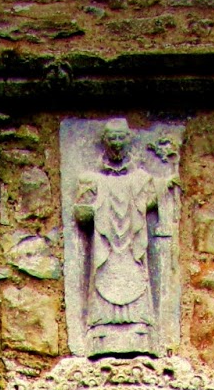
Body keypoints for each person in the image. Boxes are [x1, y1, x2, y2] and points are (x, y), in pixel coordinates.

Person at [74, 118, 174, 357]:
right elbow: (81, 213)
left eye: (121, 138)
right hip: (106, 249)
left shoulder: (141, 178)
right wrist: (90, 209)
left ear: (128, 140)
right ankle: (101, 336)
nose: (117, 144)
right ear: (105, 142)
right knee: (103, 280)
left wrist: (164, 186)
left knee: (136, 280)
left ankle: (140, 335)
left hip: (131, 251)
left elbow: (149, 201)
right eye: (112, 138)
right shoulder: (91, 180)